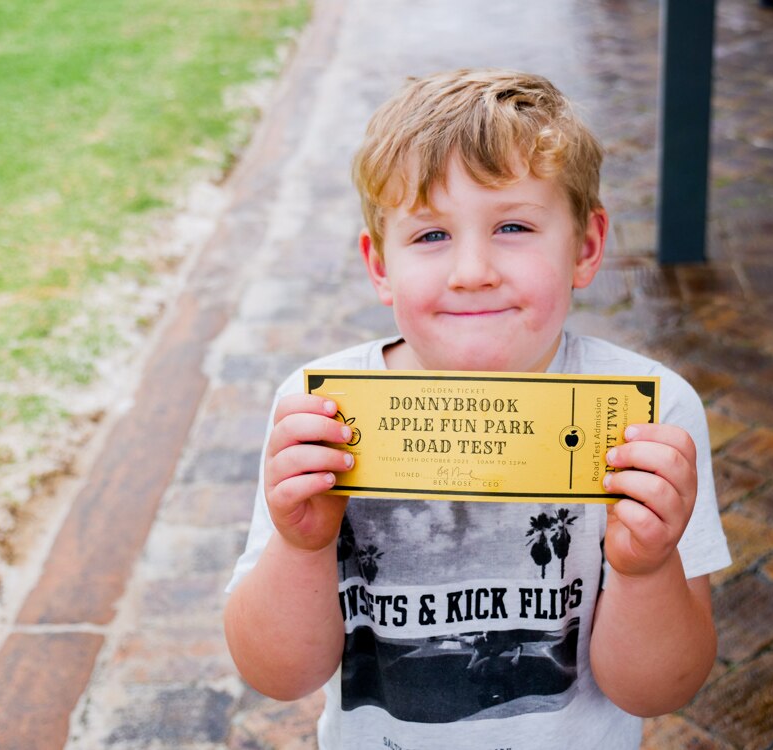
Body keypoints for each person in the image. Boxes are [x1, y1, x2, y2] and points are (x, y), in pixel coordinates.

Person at [223, 68, 731, 749]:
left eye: (514, 225)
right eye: (431, 236)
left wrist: (646, 568)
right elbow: (278, 675)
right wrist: (299, 544)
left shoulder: (652, 417)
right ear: (380, 266)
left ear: (584, 247)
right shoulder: (319, 414)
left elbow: (660, 688)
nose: (472, 270)